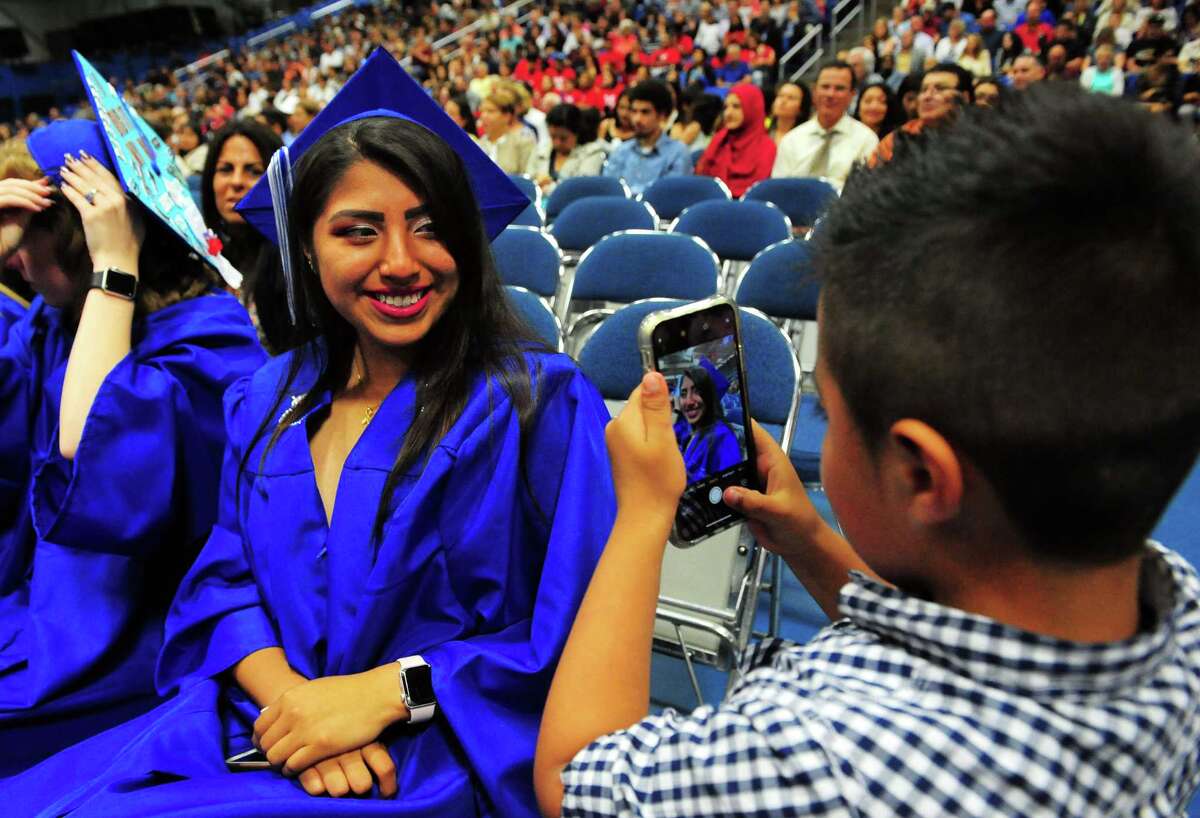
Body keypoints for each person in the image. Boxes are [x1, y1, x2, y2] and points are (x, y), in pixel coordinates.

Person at [533, 83, 1200, 818]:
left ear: (921, 475)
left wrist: (641, 519)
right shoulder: (1173, 608)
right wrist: (811, 540)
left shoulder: (825, 754)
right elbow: (958, 635)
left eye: (828, 401)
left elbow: (574, 780)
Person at [2, 49, 612, 817]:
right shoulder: (266, 397)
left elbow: (581, 637)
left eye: (431, 227)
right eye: (359, 232)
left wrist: (381, 696)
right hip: (259, 724)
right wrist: (300, 707)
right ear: (307, 251)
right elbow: (223, 585)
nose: (401, 262)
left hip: (436, 750)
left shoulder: (540, 405)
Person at [0, 112, 265, 774]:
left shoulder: (208, 340)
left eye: (27, 234)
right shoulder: (57, 321)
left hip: (139, 629)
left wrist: (113, 266)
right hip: (42, 598)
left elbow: (85, 442)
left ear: (84, 237)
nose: (16, 258)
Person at [200, 120, 293, 353]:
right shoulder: (198, 257)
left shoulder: (296, 264)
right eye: (225, 169)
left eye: (254, 171)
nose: (237, 182)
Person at [772, 61, 879, 190]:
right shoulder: (792, 139)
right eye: (825, 87)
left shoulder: (866, 140)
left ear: (852, 95)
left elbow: (867, 191)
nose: (830, 94)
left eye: (839, 88)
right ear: (814, 91)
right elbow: (777, 189)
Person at [871, 63, 973, 166]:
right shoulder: (899, 138)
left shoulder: (978, 138)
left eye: (940, 89)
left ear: (964, 98)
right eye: (924, 90)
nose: (927, 96)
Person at [603, 80, 692, 195]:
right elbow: (608, 190)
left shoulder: (677, 153)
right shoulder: (622, 150)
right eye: (634, 111)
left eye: (645, 112)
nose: (637, 119)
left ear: (662, 115)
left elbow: (671, 196)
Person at [695, 84, 776, 197]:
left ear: (753, 108)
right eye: (725, 107)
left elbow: (760, 193)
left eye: (736, 106)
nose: (728, 113)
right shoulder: (719, 141)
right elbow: (701, 182)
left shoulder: (766, 147)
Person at [674, 366, 741, 483]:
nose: (688, 401)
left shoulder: (723, 438)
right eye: (684, 394)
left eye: (697, 391)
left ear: (709, 396)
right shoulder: (691, 431)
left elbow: (731, 485)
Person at [525, 103, 608, 194]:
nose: (557, 143)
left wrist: (548, 187)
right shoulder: (541, 149)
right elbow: (527, 180)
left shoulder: (592, 152)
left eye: (563, 138)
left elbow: (582, 189)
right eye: (553, 136)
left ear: (577, 133)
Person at [477, 83, 537, 174]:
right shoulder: (479, 144)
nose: (484, 116)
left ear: (507, 116)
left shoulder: (523, 142)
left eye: (490, 111)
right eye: (482, 111)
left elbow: (528, 176)